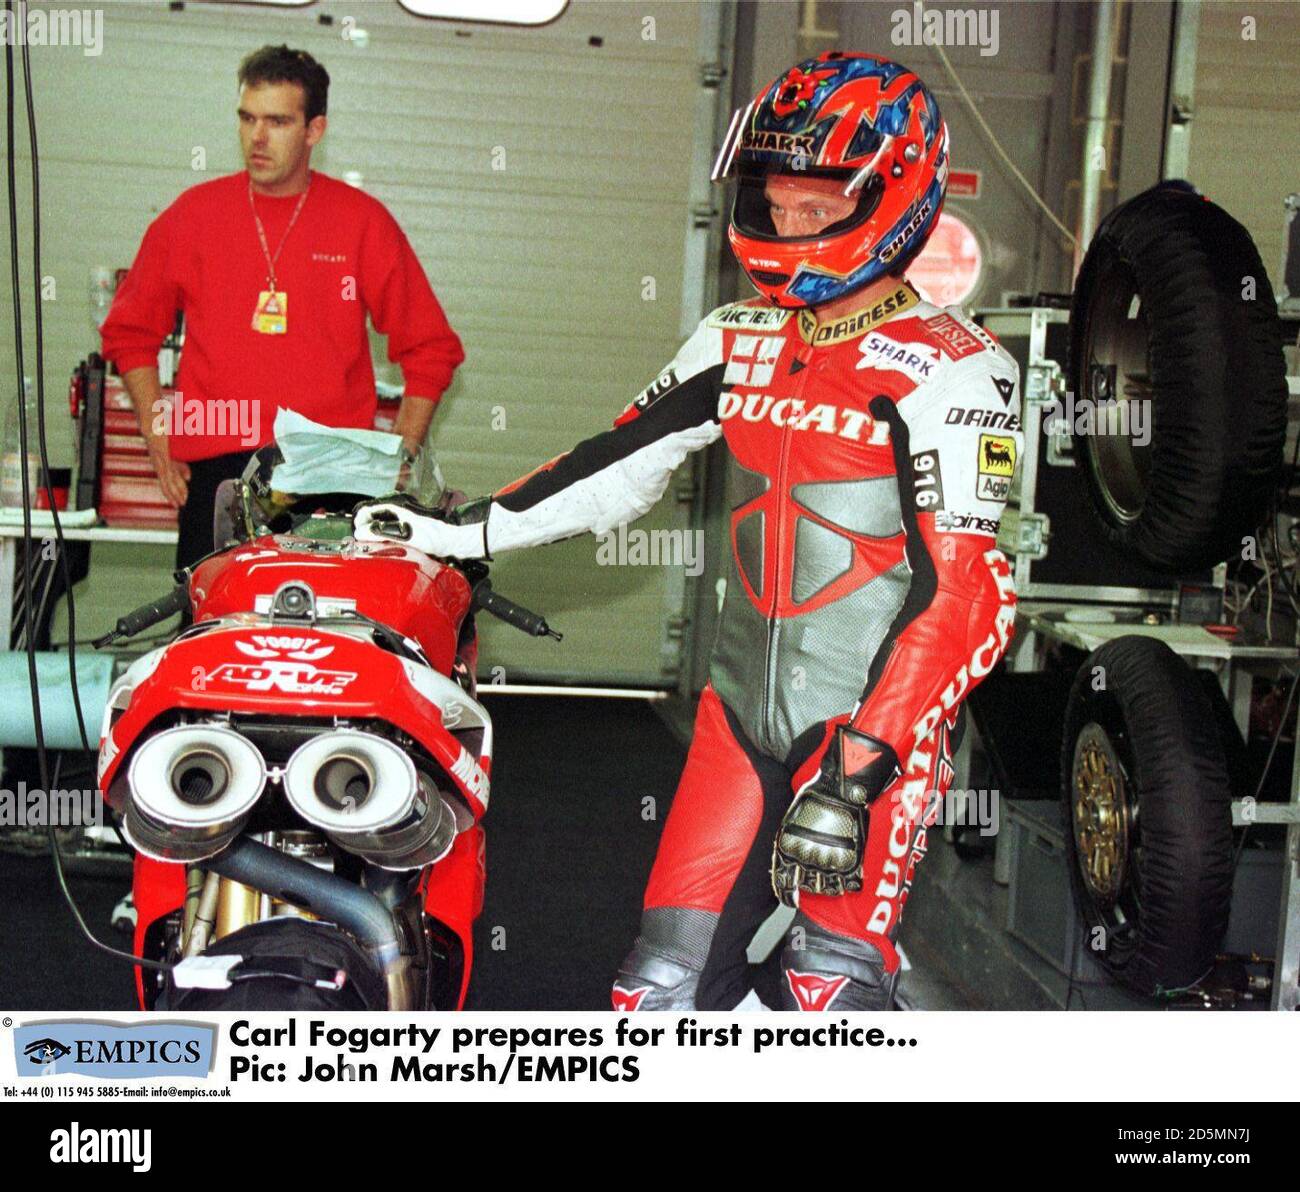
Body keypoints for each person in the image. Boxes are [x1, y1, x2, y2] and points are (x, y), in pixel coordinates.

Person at [354, 51, 1022, 1011]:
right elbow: (614, 463)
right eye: (776, 201)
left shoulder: (960, 368)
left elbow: (970, 595)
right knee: (655, 991)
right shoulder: (732, 336)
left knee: (823, 996)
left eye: (819, 207)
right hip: (736, 724)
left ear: (895, 197)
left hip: (871, 736)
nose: (790, 225)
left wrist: (858, 771)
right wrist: (458, 536)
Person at [100, 44, 464, 574]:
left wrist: (399, 454)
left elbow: (431, 348)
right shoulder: (192, 217)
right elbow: (129, 333)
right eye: (247, 118)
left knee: (327, 637)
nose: (257, 138)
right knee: (212, 636)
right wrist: (159, 434)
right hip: (221, 473)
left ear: (315, 129)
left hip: (329, 476)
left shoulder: (361, 223)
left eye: (277, 121)